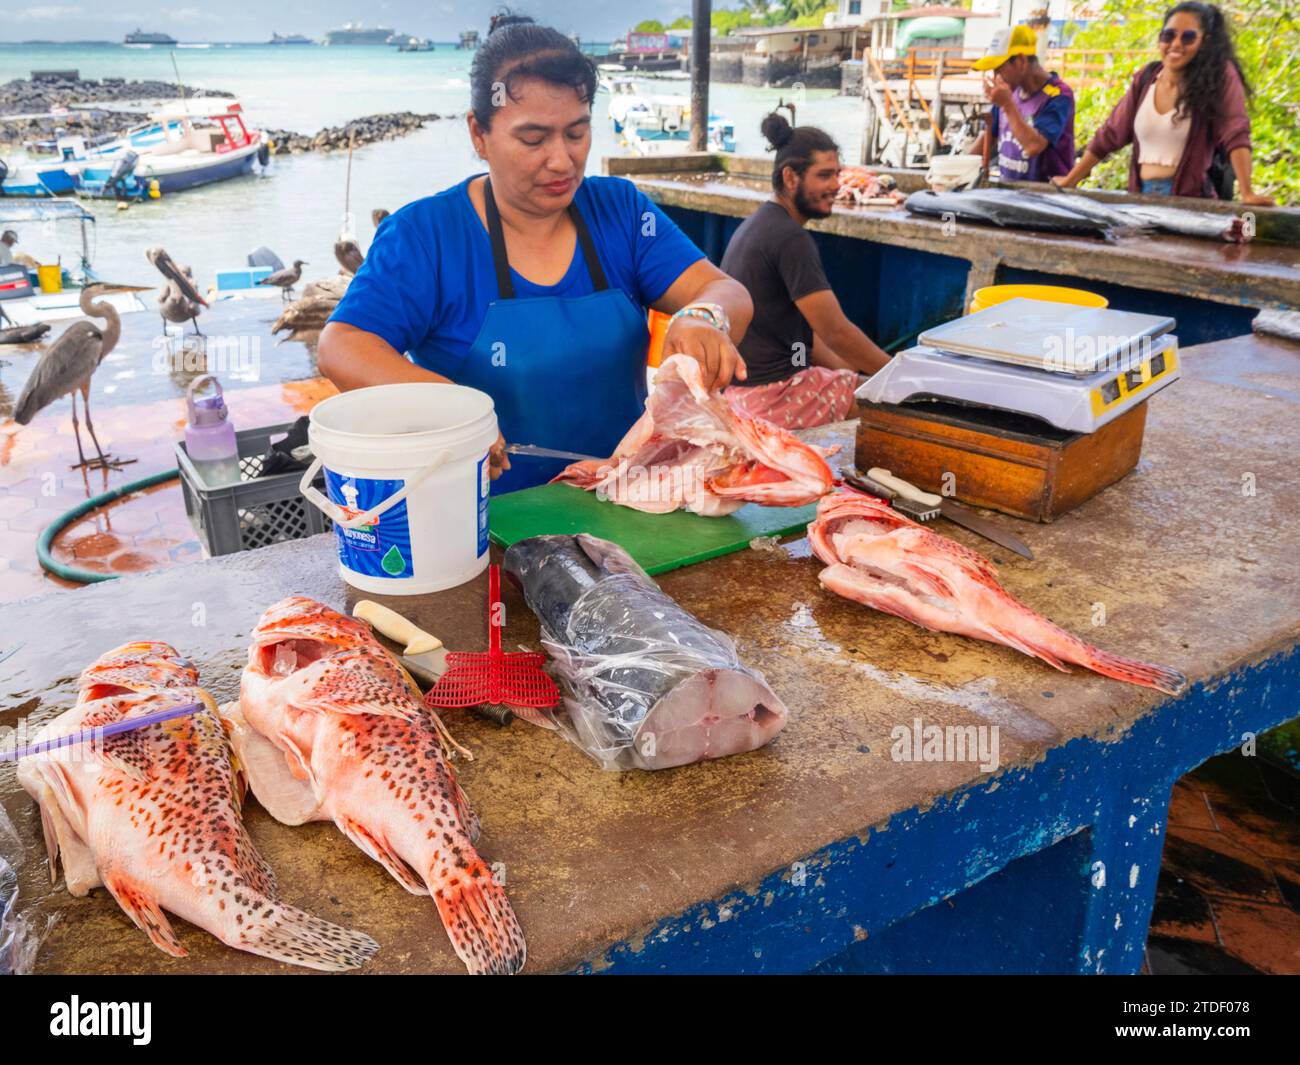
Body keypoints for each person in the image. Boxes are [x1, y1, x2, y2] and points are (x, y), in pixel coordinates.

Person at [319, 16, 753, 492]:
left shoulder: (621, 211)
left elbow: (723, 288)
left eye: (576, 133)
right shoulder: (425, 235)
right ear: (478, 135)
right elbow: (343, 345)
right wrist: (451, 409)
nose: (562, 160)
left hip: (626, 499)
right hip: (484, 519)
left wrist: (705, 317)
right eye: (533, 139)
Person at [719, 113, 888, 429]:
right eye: (824, 176)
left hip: (740, 396)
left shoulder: (759, 224)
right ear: (790, 177)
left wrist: (855, 376)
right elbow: (835, 331)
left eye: (837, 174)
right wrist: (897, 375)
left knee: (862, 385)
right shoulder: (790, 238)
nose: (835, 185)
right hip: (772, 399)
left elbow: (811, 334)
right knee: (893, 412)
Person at [1054, 2, 1273, 204]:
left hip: (1191, 202)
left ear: (1205, 42)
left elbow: (1236, 131)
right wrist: (1071, 179)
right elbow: (1110, 134)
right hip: (1141, 199)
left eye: (1187, 37)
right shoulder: (1146, 78)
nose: (1176, 44)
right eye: (1168, 35)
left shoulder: (1218, 77)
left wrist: (1247, 193)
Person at [968, 24, 1076, 184]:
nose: (996, 76)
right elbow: (988, 138)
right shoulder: (1009, 92)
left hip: (1046, 198)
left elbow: (1034, 146)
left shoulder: (1058, 95)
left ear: (1021, 61)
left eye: (999, 69)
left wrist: (1007, 105)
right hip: (1011, 193)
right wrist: (958, 166)